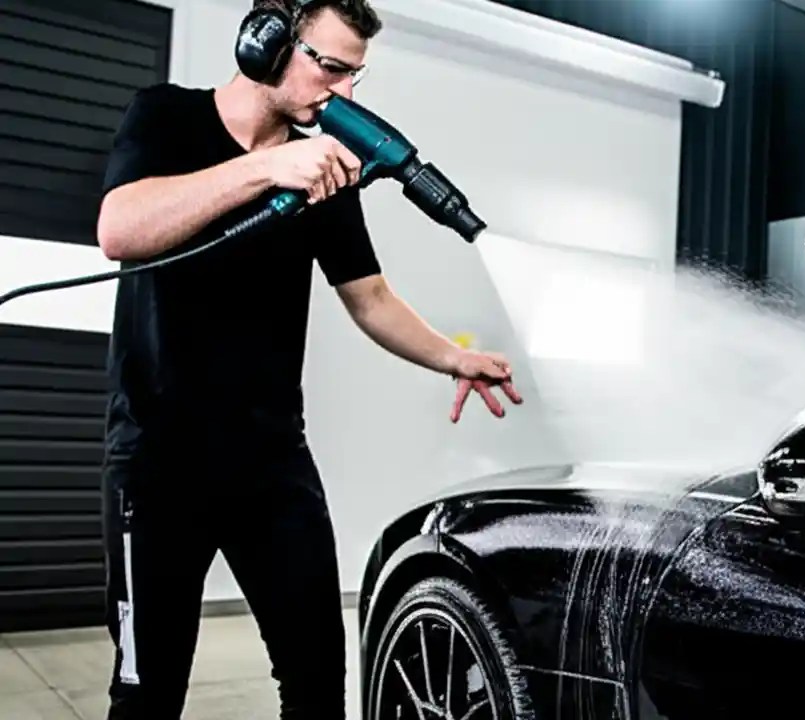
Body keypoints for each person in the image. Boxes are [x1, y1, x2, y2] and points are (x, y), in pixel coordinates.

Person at [94, 0, 522, 717]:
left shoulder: (325, 172)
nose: (344, 92)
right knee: (148, 692)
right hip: (156, 460)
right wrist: (267, 171)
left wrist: (454, 358)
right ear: (265, 43)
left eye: (356, 75)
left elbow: (371, 298)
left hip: (270, 462)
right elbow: (121, 228)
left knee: (319, 681)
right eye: (331, 67)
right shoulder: (164, 117)